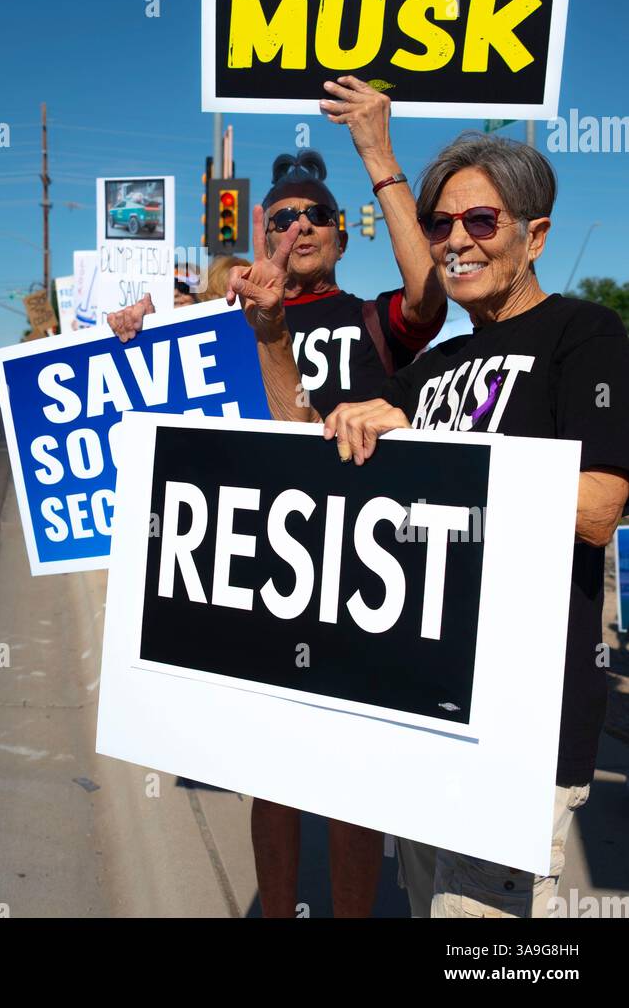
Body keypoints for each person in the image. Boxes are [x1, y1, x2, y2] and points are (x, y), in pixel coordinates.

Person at [255, 131, 629, 917]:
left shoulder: (582, 333)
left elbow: (597, 508)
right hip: (420, 713)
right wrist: (273, 341)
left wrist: (448, 467)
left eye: (481, 222)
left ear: (536, 236)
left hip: (515, 730)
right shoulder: (433, 367)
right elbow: (303, 439)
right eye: (438, 226)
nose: (454, 241)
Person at [109, 74, 447, 917]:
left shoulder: (376, 317)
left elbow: (430, 293)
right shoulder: (215, 322)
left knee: (351, 781)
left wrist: (378, 153)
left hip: (364, 579)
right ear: (257, 237)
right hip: (260, 575)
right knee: (275, 771)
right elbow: (132, 411)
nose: (297, 226)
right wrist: (130, 333)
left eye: (313, 218)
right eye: (280, 218)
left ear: (341, 236)